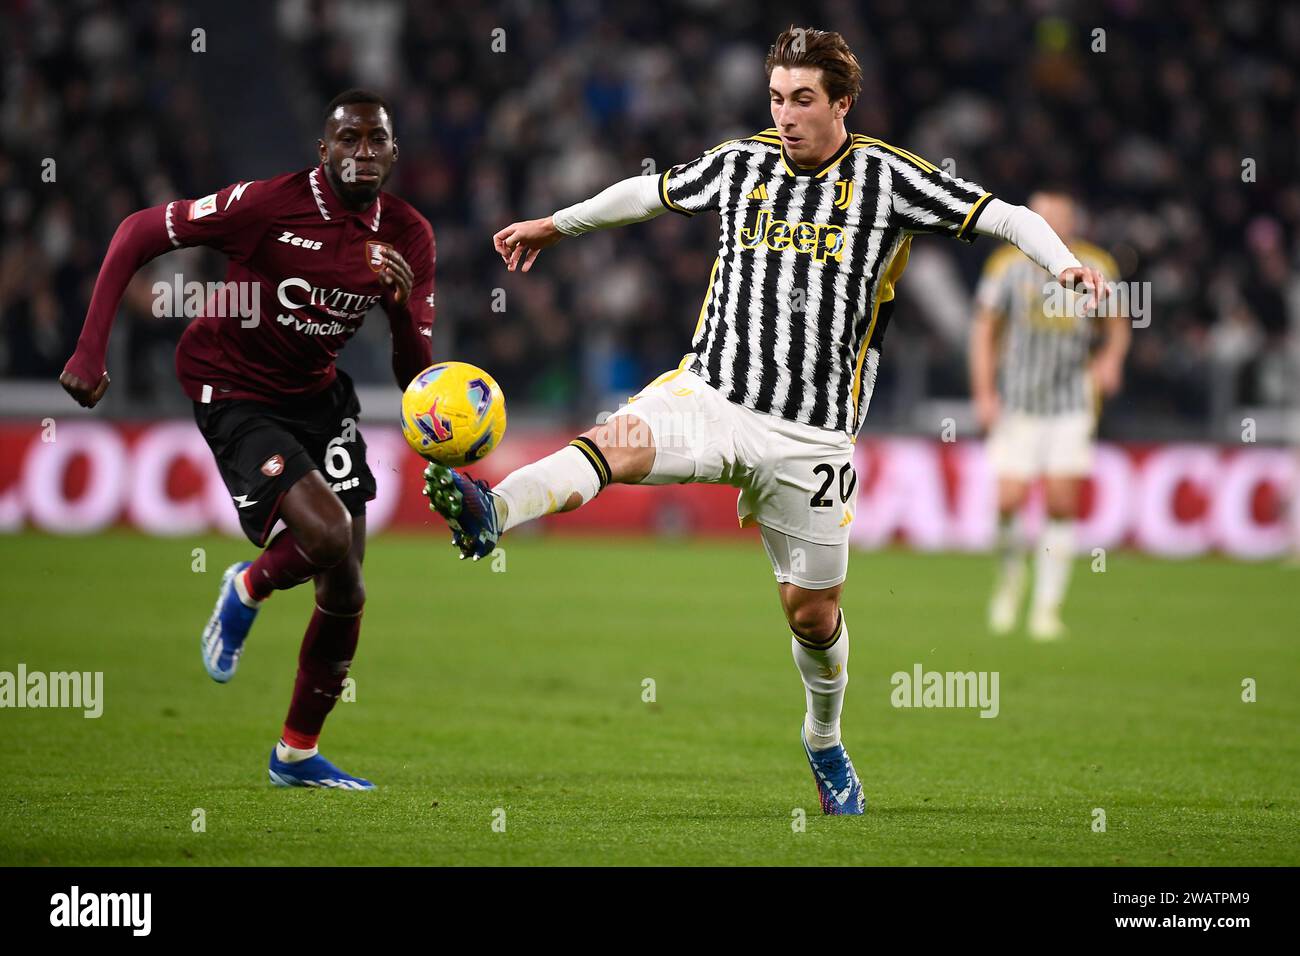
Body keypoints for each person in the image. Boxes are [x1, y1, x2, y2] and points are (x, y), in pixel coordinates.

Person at [426, 27, 1105, 815]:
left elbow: (1005, 215)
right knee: (615, 444)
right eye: (778, 97)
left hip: (812, 435)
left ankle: (823, 739)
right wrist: (556, 223)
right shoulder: (740, 163)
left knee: (812, 616)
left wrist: (1062, 263)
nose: (785, 114)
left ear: (842, 103)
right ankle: (492, 511)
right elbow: (649, 194)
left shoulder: (889, 179)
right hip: (713, 394)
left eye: (804, 99)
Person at [58, 90, 436, 789]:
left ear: (392, 152)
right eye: (346, 139)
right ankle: (248, 583)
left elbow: (415, 372)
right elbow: (140, 230)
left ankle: (294, 756)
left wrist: (403, 308)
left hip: (316, 395)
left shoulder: (409, 236)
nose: (361, 152)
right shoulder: (268, 206)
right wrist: (90, 350)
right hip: (231, 385)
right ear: (322, 150)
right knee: (324, 537)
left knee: (347, 586)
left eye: (375, 140)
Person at [970, 191, 1128, 640]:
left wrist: (1110, 361)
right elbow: (985, 331)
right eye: (1043, 218)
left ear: (1074, 222)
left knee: (1061, 503)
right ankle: (1010, 577)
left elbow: (1116, 324)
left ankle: (1046, 607)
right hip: (1018, 401)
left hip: (1070, 402)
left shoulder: (1098, 264)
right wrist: (983, 393)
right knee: (1007, 502)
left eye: (1059, 217)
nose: (1052, 225)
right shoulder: (1006, 267)